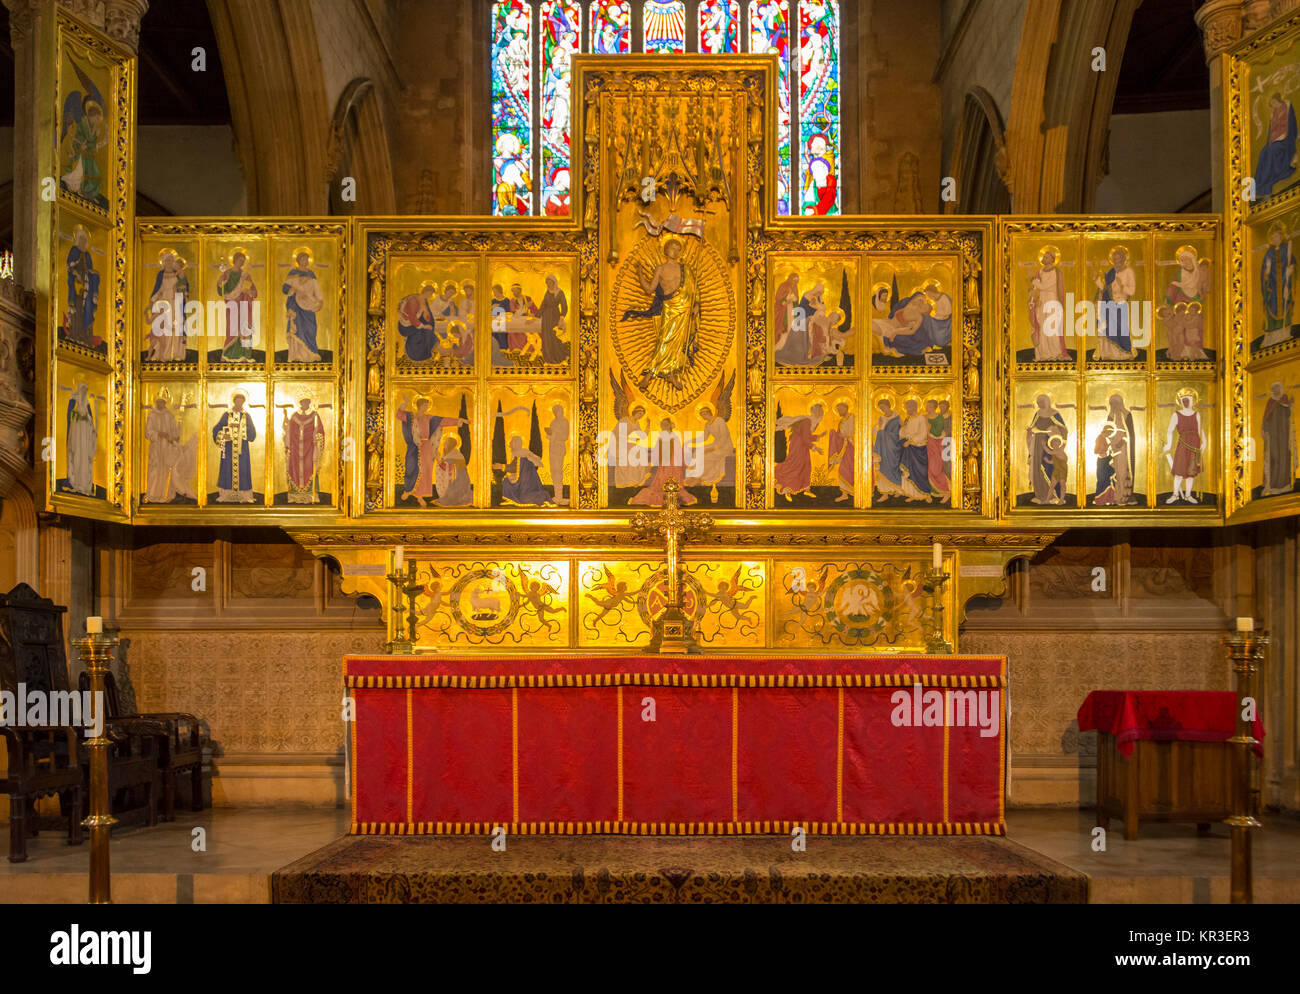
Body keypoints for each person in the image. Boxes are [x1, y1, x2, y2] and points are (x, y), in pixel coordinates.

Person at [622, 236, 699, 391]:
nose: (675, 251)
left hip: (684, 310)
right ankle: (650, 374)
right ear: (666, 250)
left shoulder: (686, 269)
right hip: (670, 308)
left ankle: (671, 374)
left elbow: (694, 290)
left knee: (678, 345)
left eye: (678, 249)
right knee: (665, 340)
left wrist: (696, 304)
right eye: (672, 248)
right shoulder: (661, 269)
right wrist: (640, 274)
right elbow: (650, 289)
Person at [397, 397, 466, 507]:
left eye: (427, 405)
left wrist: (459, 420)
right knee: (411, 466)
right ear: (419, 405)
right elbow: (399, 415)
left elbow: (443, 420)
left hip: (427, 446)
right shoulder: (411, 417)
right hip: (414, 446)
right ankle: (408, 490)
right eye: (425, 405)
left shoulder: (429, 418)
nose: (426, 407)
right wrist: (404, 403)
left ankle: (419, 496)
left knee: (426, 470)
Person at [629, 419, 697, 506]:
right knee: (662, 481)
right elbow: (657, 450)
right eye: (662, 425)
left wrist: (678, 462)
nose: (663, 426)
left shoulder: (674, 436)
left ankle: (673, 497)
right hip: (664, 462)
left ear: (669, 425)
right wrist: (652, 462)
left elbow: (678, 451)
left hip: (674, 462)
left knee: (674, 480)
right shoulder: (661, 436)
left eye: (665, 424)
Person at [144, 391, 196, 503]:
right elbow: (148, 433)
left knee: (166, 470)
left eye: (162, 402)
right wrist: (159, 434)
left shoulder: (170, 416)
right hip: (156, 449)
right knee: (155, 471)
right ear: (156, 402)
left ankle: (166, 495)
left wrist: (178, 428)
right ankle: (153, 495)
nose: (160, 404)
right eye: (158, 402)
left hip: (167, 449)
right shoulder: (152, 416)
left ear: (165, 403)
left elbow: (174, 435)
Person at [212, 391, 257, 502]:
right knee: (227, 469)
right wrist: (223, 435)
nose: (239, 403)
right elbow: (216, 429)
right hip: (228, 449)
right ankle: (225, 495)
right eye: (237, 400)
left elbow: (252, 434)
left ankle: (245, 495)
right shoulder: (227, 415)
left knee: (243, 470)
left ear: (244, 402)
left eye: (241, 401)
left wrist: (241, 429)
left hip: (242, 451)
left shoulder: (246, 416)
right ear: (234, 401)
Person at [774, 404, 824, 500]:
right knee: (794, 466)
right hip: (798, 448)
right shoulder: (807, 421)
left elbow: (807, 436)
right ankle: (786, 489)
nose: (820, 413)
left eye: (821, 411)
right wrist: (815, 447)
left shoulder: (810, 421)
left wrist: (818, 436)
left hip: (802, 447)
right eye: (818, 411)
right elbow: (805, 438)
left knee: (806, 466)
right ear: (813, 412)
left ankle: (806, 489)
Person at [1094, 246, 1137, 360]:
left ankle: (1124, 353)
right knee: (1108, 328)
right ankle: (1109, 354)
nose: (1115, 261)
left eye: (1118, 259)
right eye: (1114, 259)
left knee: (1120, 328)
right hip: (1108, 304)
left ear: (1123, 259)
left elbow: (1132, 291)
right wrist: (1097, 280)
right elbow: (1105, 288)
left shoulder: (1128, 271)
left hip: (1120, 303)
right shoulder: (1111, 272)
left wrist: (1122, 285)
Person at [1164, 389, 1205, 503]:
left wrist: (1204, 442)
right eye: (1184, 400)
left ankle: (1188, 495)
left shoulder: (1197, 414)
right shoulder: (1176, 414)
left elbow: (1200, 429)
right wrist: (1169, 444)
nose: (1186, 402)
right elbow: (1170, 430)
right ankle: (1175, 494)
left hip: (1195, 445)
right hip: (1183, 444)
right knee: (1179, 471)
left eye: (1188, 400)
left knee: (1191, 473)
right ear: (1181, 401)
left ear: (1193, 401)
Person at [146, 250, 188, 361]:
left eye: (171, 260)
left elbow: (184, 286)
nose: (169, 262)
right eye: (167, 260)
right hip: (164, 302)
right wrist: (152, 301)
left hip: (176, 301)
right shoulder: (161, 275)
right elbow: (158, 289)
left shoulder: (178, 273)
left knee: (177, 326)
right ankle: (163, 354)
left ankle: (177, 353)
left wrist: (182, 291)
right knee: (164, 327)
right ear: (163, 262)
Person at [1026, 394, 1068, 505]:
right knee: (1038, 468)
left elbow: (1063, 429)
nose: (1040, 405)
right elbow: (1033, 426)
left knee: (1050, 467)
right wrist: (1030, 431)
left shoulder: (1054, 414)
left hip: (1050, 443)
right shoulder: (1038, 414)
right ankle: (1041, 495)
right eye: (1038, 403)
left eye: (1041, 402)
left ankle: (1055, 496)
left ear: (1047, 402)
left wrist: (1054, 432)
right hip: (1038, 444)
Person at [283, 250, 324, 362]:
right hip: (295, 305)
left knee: (310, 329)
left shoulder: (311, 275)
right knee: (297, 329)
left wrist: (320, 301)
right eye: (303, 259)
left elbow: (317, 290)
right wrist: (293, 289)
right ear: (298, 261)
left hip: (308, 305)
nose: (305, 261)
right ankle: (296, 355)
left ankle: (311, 354)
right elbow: (285, 289)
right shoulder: (293, 273)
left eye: (306, 259)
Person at [218, 251, 259, 361]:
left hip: (244, 305)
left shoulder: (245, 275)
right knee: (232, 329)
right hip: (232, 306)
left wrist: (249, 291)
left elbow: (254, 292)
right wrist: (219, 282)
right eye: (239, 260)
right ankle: (228, 354)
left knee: (245, 329)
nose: (241, 262)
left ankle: (245, 354)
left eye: (243, 261)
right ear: (234, 260)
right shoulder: (226, 274)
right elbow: (221, 292)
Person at [1255, 92, 1298, 199]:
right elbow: (1271, 131)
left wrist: (1285, 138)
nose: (1272, 105)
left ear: (1277, 100)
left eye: (1273, 102)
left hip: (1286, 140)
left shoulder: (1287, 106)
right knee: (1264, 152)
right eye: (1271, 104)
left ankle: (1265, 186)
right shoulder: (1273, 113)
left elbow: (1292, 125)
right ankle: (1259, 186)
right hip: (1275, 141)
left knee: (1271, 151)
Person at [1029, 247, 1069, 360]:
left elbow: (1044, 286)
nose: (1044, 258)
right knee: (1041, 326)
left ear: (1052, 259)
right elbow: (1036, 288)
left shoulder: (1056, 272)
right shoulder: (1040, 271)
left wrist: (1033, 280)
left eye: (1047, 257)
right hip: (1041, 301)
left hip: (1052, 300)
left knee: (1051, 326)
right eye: (1044, 257)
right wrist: (1033, 293)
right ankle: (1043, 354)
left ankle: (1055, 352)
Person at [283, 398, 325, 503]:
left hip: (309, 447)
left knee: (309, 468)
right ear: (300, 403)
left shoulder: (315, 416)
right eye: (302, 402)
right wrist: (286, 423)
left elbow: (320, 430)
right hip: (295, 448)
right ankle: (294, 495)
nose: (304, 404)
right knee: (295, 468)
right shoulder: (295, 416)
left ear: (309, 403)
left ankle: (311, 495)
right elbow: (289, 430)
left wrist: (317, 437)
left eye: (307, 402)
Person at [63, 226, 99, 348]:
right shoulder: (74, 250)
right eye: (81, 239)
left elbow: (89, 269)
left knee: (87, 307)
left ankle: (86, 337)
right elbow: (69, 266)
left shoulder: (87, 254)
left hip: (86, 284)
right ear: (78, 239)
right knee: (77, 309)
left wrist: (92, 273)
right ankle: (75, 334)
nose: (83, 241)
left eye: (85, 239)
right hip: (76, 281)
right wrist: (76, 274)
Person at [1260, 225, 1295, 349]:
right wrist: (1267, 272)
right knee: (1271, 306)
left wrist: (1291, 270)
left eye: (1277, 236)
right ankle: (1270, 338)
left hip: (1285, 284)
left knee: (1286, 305)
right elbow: (1264, 271)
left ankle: (1285, 333)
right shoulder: (1269, 253)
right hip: (1272, 287)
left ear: (1281, 236)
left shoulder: (1286, 249)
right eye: (1273, 237)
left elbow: (1292, 263)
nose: (1275, 239)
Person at [495, 435, 551, 506]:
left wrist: (501, 466)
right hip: (522, 478)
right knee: (506, 480)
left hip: (524, 480)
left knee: (507, 481)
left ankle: (515, 499)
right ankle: (512, 499)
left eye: (511, 442)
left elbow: (514, 467)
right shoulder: (519, 453)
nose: (509, 444)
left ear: (515, 443)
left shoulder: (521, 454)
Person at [1262, 381, 1295, 496]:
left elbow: (1289, 415)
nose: (1276, 390)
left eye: (1278, 388)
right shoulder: (1270, 402)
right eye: (1274, 388)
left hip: (1284, 435)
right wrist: (1264, 430)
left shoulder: (1284, 399)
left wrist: (1290, 405)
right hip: (1273, 436)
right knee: (1274, 458)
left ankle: (1284, 485)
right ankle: (1272, 485)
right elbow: (1266, 418)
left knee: (1284, 458)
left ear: (1281, 389)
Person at [65, 382, 96, 495]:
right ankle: (75, 482)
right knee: (76, 456)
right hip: (76, 435)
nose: (84, 392)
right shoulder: (73, 399)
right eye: (83, 389)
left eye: (85, 389)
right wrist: (79, 416)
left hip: (85, 436)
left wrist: (86, 418)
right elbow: (70, 416)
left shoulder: (87, 402)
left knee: (85, 459)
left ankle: (84, 484)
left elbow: (91, 419)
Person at [397, 284, 438, 362]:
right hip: (407, 325)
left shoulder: (423, 300)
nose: (430, 296)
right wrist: (425, 326)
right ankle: (415, 355)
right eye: (429, 294)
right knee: (421, 334)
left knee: (429, 334)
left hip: (416, 323)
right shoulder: (413, 301)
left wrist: (427, 317)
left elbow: (427, 314)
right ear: (425, 292)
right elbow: (412, 317)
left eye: (431, 294)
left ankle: (426, 354)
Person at [434, 435, 473, 507]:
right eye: (444, 443)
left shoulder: (455, 454)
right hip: (455, 479)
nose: (444, 445)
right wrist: (439, 460)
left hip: (458, 481)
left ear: (450, 445)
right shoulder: (450, 454)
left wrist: (438, 460)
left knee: (451, 497)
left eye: (445, 444)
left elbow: (447, 468)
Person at [538, 274, 570, 363]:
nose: (548, 284)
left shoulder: (560, 292)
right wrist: (537, 315)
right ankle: (548, 357)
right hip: (546, 317)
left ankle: (558, 355)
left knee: (552, 335)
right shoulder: (547, 292)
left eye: (550, 282)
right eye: (547, 283)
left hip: (555, 316)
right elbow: (543, 305)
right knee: (546, 336)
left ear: (554, 282)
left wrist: (561, 317)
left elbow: (564, 306)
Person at [827, 401, 854, 503]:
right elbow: (839, 436)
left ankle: (857, 492)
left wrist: (847, 436)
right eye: (838, 410)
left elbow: (860, 432)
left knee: (853, 470)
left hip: (854, 447)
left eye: (840, 410)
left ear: (846, 408)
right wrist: (833, 434)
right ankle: (845, 494)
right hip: (845, 449)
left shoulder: (854, 418)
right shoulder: (841, 422)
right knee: (843, 470)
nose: (839, 412)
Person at [545, 403, 570, 506]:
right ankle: (557, 496)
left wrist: (555, 433)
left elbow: (565, 436)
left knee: (558, 472)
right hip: (552, 448)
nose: (557, 413)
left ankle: (560, 496)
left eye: (558, 411)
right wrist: (549, 435)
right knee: (553, 471)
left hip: (559, 448)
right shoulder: (553, 422)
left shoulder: (564, 422)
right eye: (555, 412)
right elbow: (551, 436)